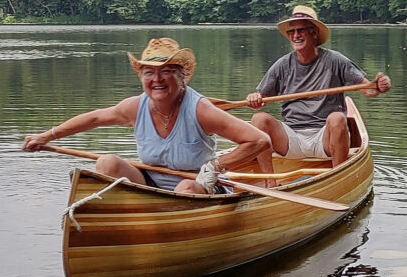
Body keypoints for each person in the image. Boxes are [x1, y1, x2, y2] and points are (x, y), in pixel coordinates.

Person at [23, 37, 272, 194]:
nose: (157, 79)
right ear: (141, 77)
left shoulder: (200, 109)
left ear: (182, 75)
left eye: (166, 71)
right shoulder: (135, 106)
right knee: (106, 163)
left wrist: (215, 166)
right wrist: (46, 136)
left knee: (184, 187)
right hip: (149, 186)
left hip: (197, 187)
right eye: (149, 73)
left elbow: (260, 140)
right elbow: (96, 118)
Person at [245, 5, 391, 167]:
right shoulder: (282, 65)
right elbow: (261, 99)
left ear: (314, 33)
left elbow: (367, 88)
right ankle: (270, 183)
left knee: (337, 118)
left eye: (300, 30)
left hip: (325, 138)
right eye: (291, 32)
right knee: (259, 119)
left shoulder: (335, 60)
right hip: (292, 137)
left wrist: (378, 86)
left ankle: (338, 175)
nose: (295, 36)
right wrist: (255, 98)